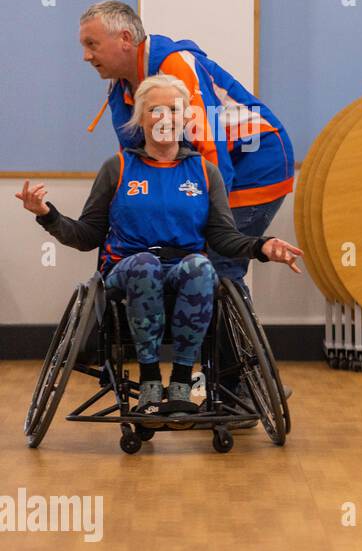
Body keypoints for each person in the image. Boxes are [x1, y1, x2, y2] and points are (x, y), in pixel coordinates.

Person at [16, 75, 303, 414]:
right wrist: (47, 215)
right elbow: (87, 235)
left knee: (201, 267)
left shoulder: (204, 172)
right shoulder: (118, 168)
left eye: (173, 108)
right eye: (155, 110)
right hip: (129, 270)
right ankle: (150, 379)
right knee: (145, 265)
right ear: (141, 118)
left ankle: (182, 381)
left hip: (184, 269)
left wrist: (263, 246)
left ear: (186, 118)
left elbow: (224, 237)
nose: (165, 117)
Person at [79, 0, 295, 284]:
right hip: (220, 161)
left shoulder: (175, 65)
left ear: (125, 39)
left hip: (255, 163)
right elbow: (133, 158)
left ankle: (217, 320)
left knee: (217, 263)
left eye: (92, 44)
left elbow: (211, 149)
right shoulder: (119, 84)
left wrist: (211, 220)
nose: (85, 55)